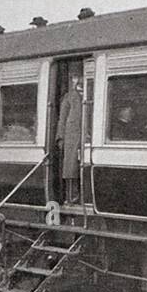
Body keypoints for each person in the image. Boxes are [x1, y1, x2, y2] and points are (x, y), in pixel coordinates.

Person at [56, 73, 84, 204]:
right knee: (71, 167)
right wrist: (60, 137)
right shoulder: (69, 97)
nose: (77, 80)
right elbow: (62, 119)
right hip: (71, 136)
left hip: (85, 136)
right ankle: (71, 196)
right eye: (75, 78)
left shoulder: (90, 93)